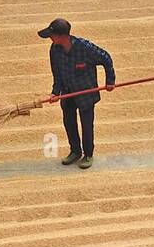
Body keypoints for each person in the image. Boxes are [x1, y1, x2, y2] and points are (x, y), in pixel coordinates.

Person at [37, 18, 115, 168]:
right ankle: (75, 151)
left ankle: (88, 154)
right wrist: (55, 92)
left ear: (61, 36)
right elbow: (57, 74)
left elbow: (106, 58)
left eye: (52, 36)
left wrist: (110, 81)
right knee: (69, 123)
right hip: (67, 92)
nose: (50, 39)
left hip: (86, 93)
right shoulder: (54, 50)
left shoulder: (84, 47)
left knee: (86, 125)